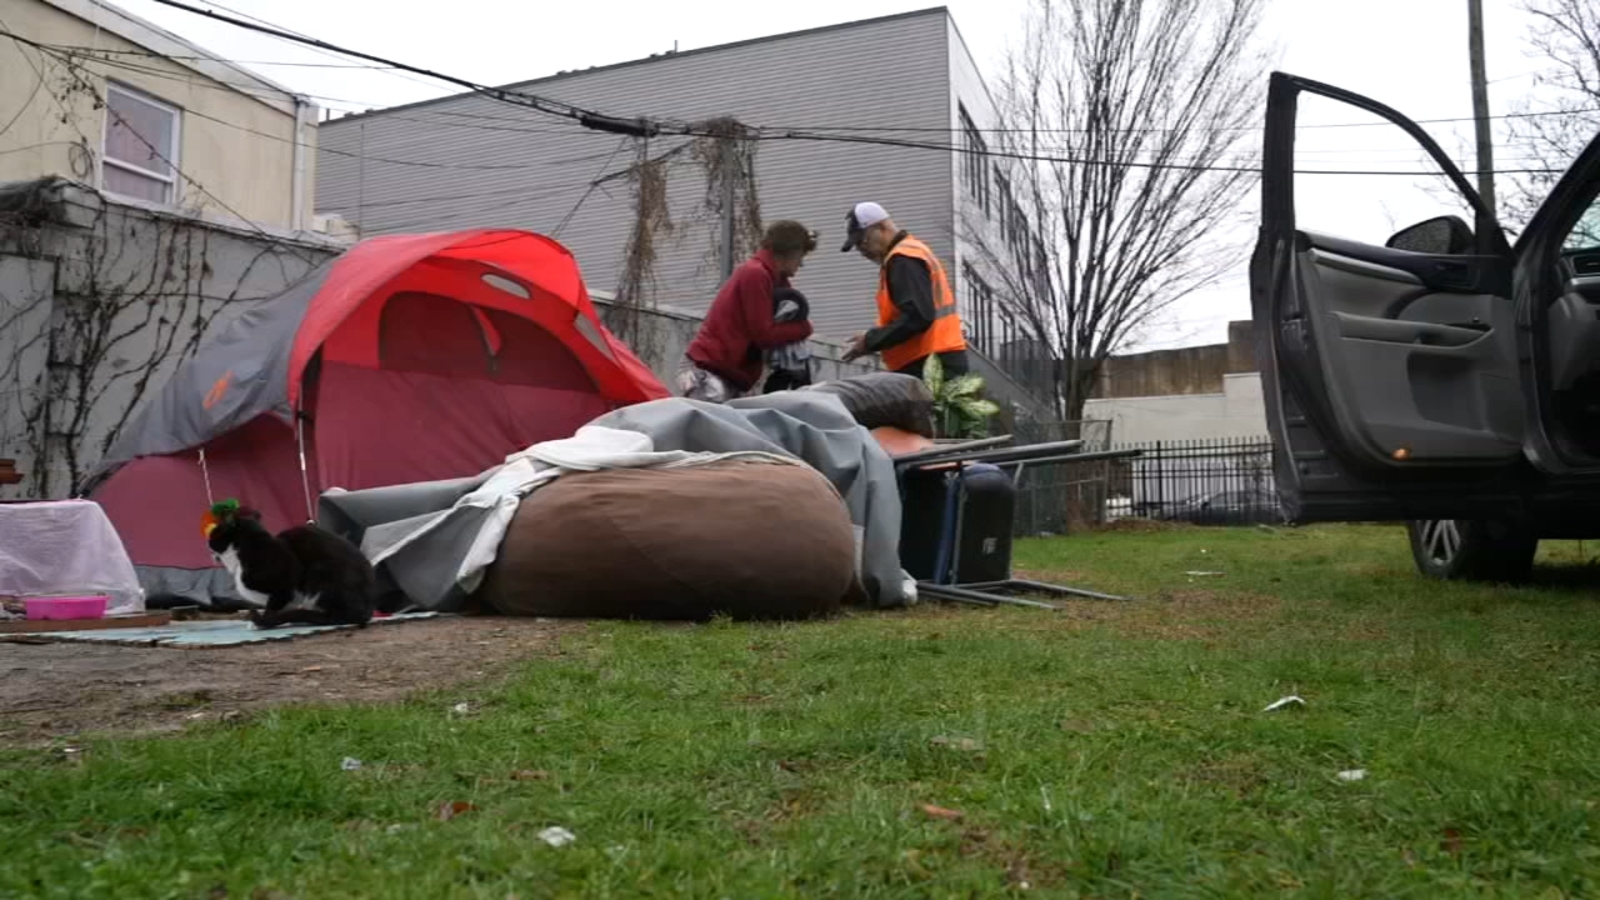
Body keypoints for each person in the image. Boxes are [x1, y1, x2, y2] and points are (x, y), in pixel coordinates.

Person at [677, 221, 818, 403]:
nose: (801, 264)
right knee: (709, 421)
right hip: (708, 369)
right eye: (801, 255)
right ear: (791, 251)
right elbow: (763, 334)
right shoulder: (756, 274)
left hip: (727, 372)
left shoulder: (774, 280)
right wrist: (804, 328)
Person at [838, 201, 969, 381]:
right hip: (936, 358)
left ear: (880, 227)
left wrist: (871, 341)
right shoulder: (909, 253)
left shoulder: (903, 259)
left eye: (862, 240)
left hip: (930, 363)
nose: (861, 249)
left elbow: (917, 316)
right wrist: (874, 337)